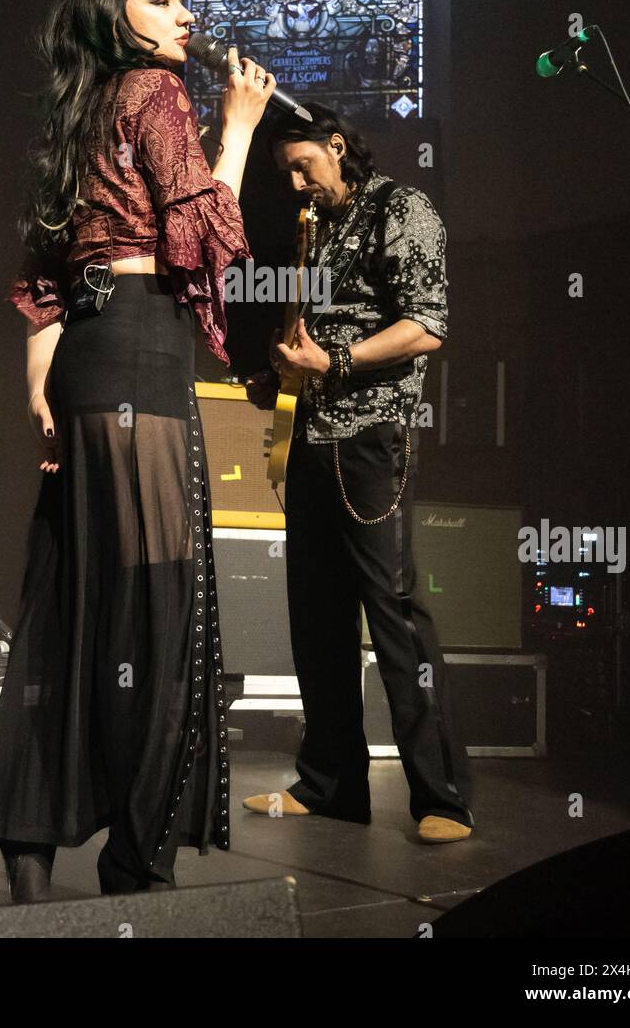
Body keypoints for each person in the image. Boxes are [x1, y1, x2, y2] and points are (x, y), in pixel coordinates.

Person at [0, 0, 275, 900]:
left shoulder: (76, 112)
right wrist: (242, 128)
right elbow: (200, 232)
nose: (184, 16)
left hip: (91, 361)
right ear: (118, 17)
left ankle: (26, 829)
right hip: (141, 344)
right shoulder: (153, 93)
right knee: (157, 607)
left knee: (69, 609)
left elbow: (46, 280)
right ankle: (138, 859)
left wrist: (38, 385)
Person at [243, 102, 475, 843]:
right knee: (316, 618)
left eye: (303, 165)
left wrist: (335, 362)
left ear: (338, 147)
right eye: (284, 174)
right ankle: (331, 783)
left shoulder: (402, 208)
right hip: (310, 437)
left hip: (374, 442)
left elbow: (426, 325)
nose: (295, 183)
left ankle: (441, 797)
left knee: (395, 616)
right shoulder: (316, 230)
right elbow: (310, 334)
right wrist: (277, 373)